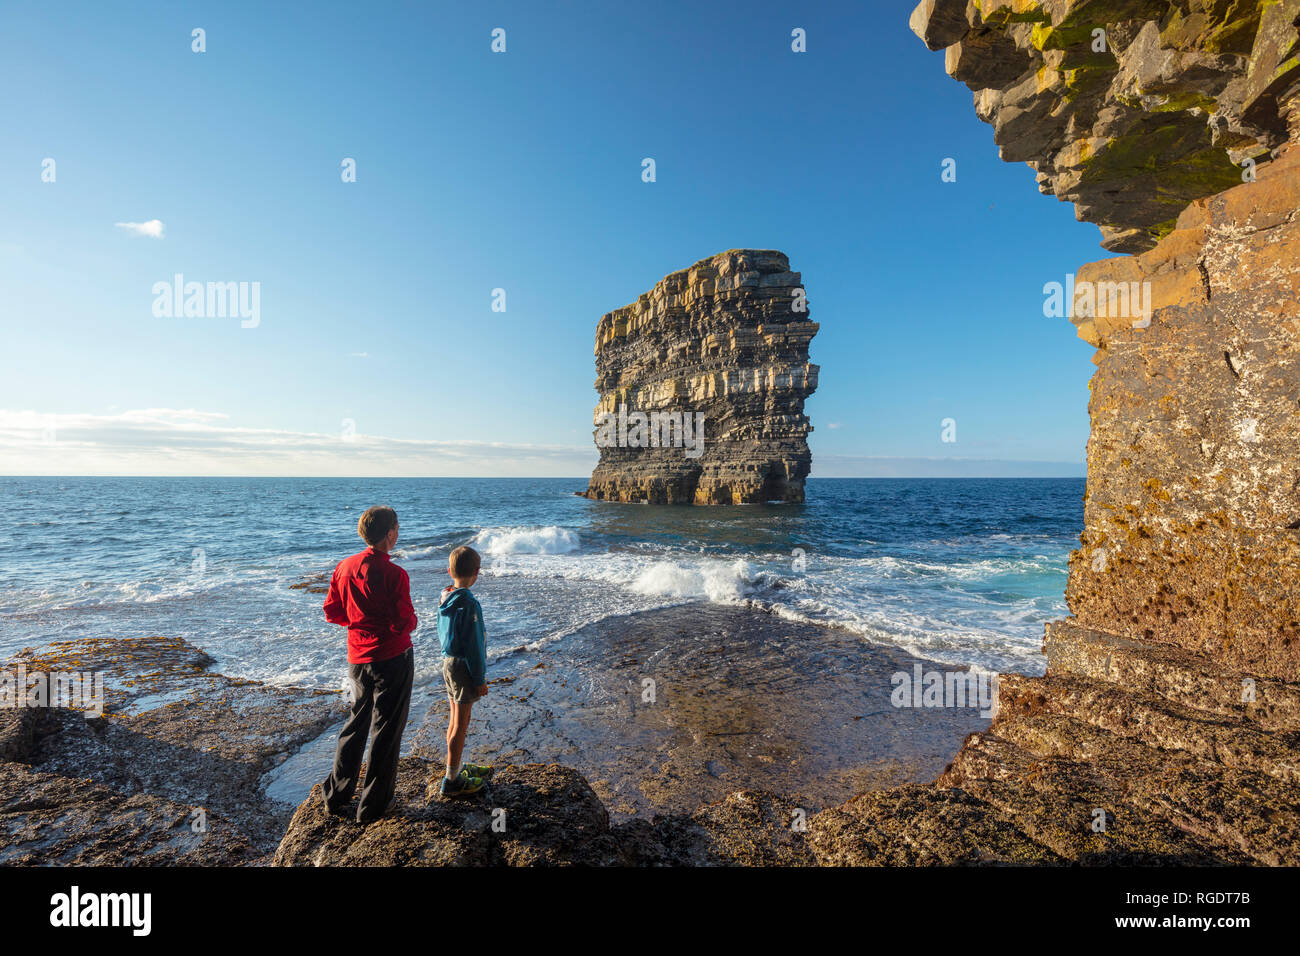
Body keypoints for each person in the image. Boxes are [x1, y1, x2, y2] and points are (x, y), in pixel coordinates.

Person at [319, 505, 416, 823]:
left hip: (357, 659)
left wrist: (359, 623)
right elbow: (404, 622)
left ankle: (336, 794)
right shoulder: (395, 574)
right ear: (389, 534)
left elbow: (332, 611)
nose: (398, 533)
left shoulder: (344, 567)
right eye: (397, 528)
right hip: (392, 658)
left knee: (356, 721)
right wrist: (406, 624)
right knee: (386, 730)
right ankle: (373, 807)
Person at [438, 545, 492, 797]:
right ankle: (452, 779)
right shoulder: (469, 603)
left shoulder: (445, 596)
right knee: (461, 723)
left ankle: (455, 766)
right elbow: (474, 646)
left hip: (448, 662)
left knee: (454, 720)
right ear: (476, 572)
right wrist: (479, 679)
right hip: (463, 667)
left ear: (450, 571)